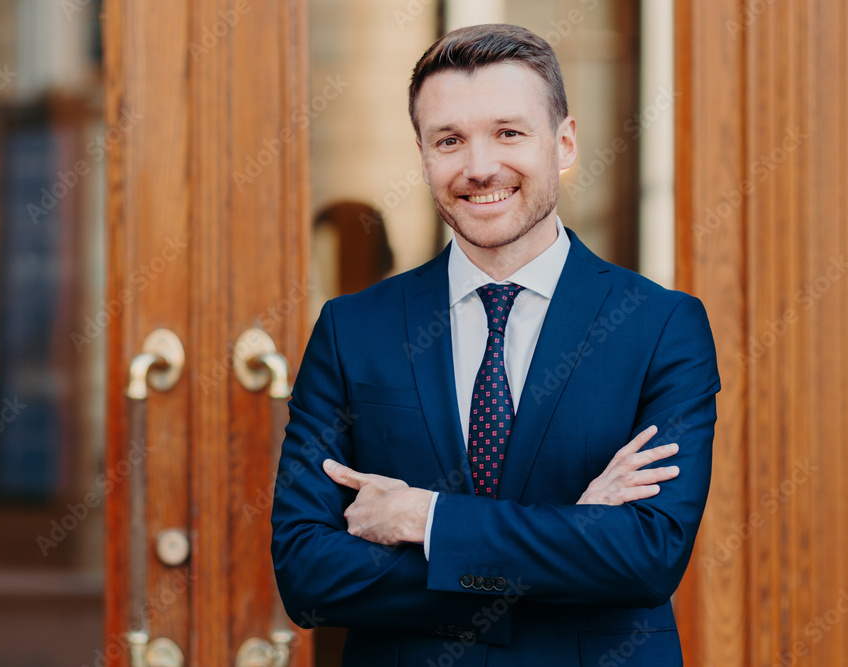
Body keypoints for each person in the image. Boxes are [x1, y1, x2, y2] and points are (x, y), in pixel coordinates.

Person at [271, 24, 720, 666]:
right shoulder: (352, 331)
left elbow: (646, 557)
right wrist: (572, 537)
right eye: (449, 140)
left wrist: (426, 521)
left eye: (509, 133)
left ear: (564, 142)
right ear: (423, 154)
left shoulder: (660, 327)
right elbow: (307, 575)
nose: (479, 167)